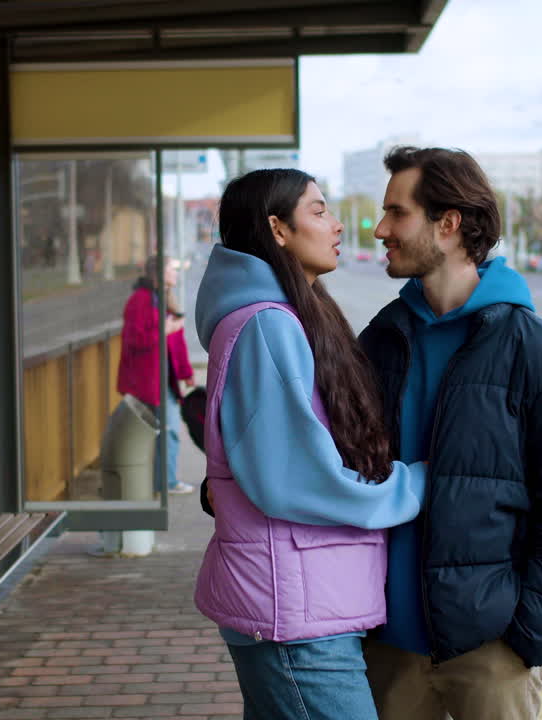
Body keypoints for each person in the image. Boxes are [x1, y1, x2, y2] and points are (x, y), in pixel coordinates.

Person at [358, 146, 542, 720]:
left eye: (396, 213)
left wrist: (528, 635)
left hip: (491, 649)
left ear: (447, 225)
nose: (380, 229)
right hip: (385, 648)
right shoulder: (378, 343)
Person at [193, 169, 428, 720]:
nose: (338, 224)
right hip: (294, 618)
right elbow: (295, 478)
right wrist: (416, 483)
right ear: (277, 229)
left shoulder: (280, 318)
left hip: (302, 604)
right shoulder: (267, 326)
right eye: (319, 211)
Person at [116, 255, 196, 494]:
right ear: (159, 273)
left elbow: (176, 343)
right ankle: (164, 482)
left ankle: (161, 481)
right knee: (163, 431)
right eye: (173, 268)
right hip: (147, 381)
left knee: (164, 431)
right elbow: (134, 340)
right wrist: (165, 330)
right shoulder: (140, 301)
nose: (176, 273)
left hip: (163, 380)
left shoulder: (165, 299)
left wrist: (186, 372)